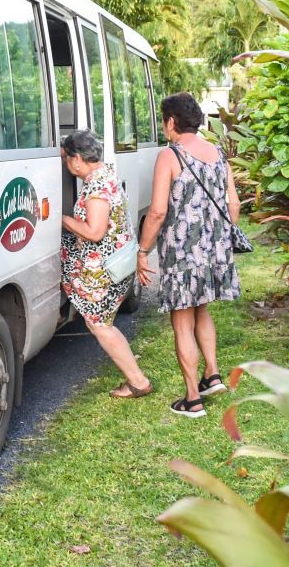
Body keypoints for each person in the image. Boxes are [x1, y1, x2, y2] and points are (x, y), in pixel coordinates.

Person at [136, 92, 241, 418]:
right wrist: (218, 238)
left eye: (164, 120)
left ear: (172, 121)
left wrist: (142, 251)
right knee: (202, 310)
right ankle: (212, 375)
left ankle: (192, 399)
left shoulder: (171, 156)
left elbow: (157, 211)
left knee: (182, 320)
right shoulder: (218, 153)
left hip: (182, 254)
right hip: (214, 252)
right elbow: (234, 204)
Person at [60, 130, 153, 399]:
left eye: (66, 158)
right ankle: (135, 376)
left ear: (77, 159)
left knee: (100, 325)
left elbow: (94, 232)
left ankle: (138, 381)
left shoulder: (97, 187)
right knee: (102, 323)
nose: (66, 164)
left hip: (103, 270)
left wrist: (61, 218)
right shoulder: (106, 174)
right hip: (115, 265)